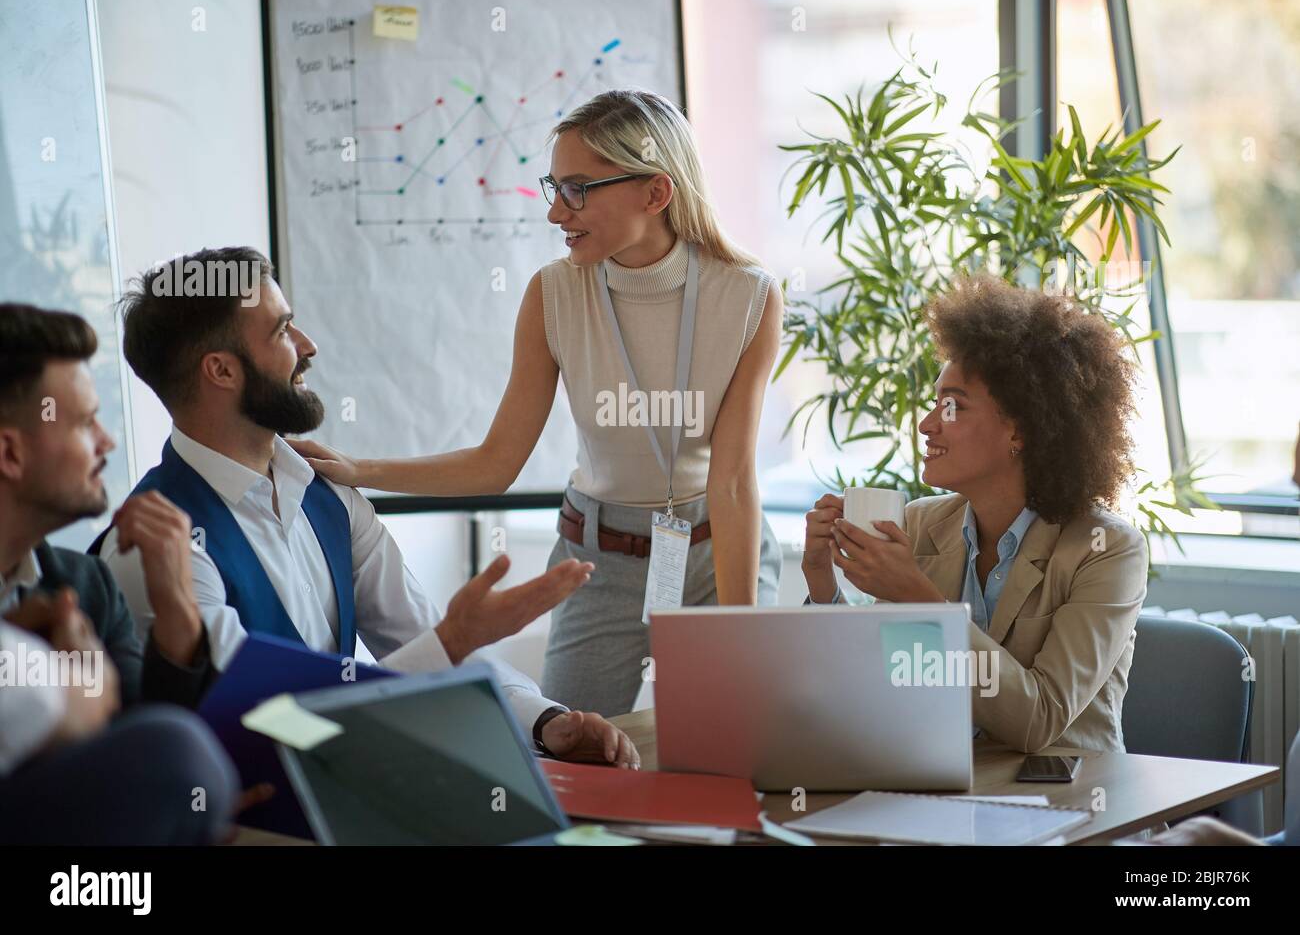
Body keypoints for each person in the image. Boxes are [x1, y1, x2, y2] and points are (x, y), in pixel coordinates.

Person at [290, 90, 785, 716]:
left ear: (655, 193)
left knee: (724, 742)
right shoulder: (553, 293)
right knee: (570, 746)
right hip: (595, 558)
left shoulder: (748, 297)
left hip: (718, 552)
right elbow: (495, 464)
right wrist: (362, 472)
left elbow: (734, 480)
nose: (555, 213)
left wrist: (738, 631)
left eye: (577, 190)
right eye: (553, 186)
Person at [98, 247, 638, 767]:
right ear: (221, 371)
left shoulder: (330, 496)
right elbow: (272, 721)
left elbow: (415, 636)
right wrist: (454, 639)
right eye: (283, 331)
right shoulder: (157, 542)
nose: (308, 346)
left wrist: (544, 723)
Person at [802, 274, 1148, 753]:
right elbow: (871, 689)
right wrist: (823, 587)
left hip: (1068, 806)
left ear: (1020, 431)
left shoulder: (1105, 550)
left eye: (952, 408)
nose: (926, 425)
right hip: (945, 791)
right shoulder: (922, 525)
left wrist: (921, 602)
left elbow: (1039, 719)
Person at [0, 303, 237, 844]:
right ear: (10, 453)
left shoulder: (85, 585)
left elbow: (143, 749)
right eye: (85, 423)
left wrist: (176, 604)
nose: (107, 442)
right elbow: (167, 761)